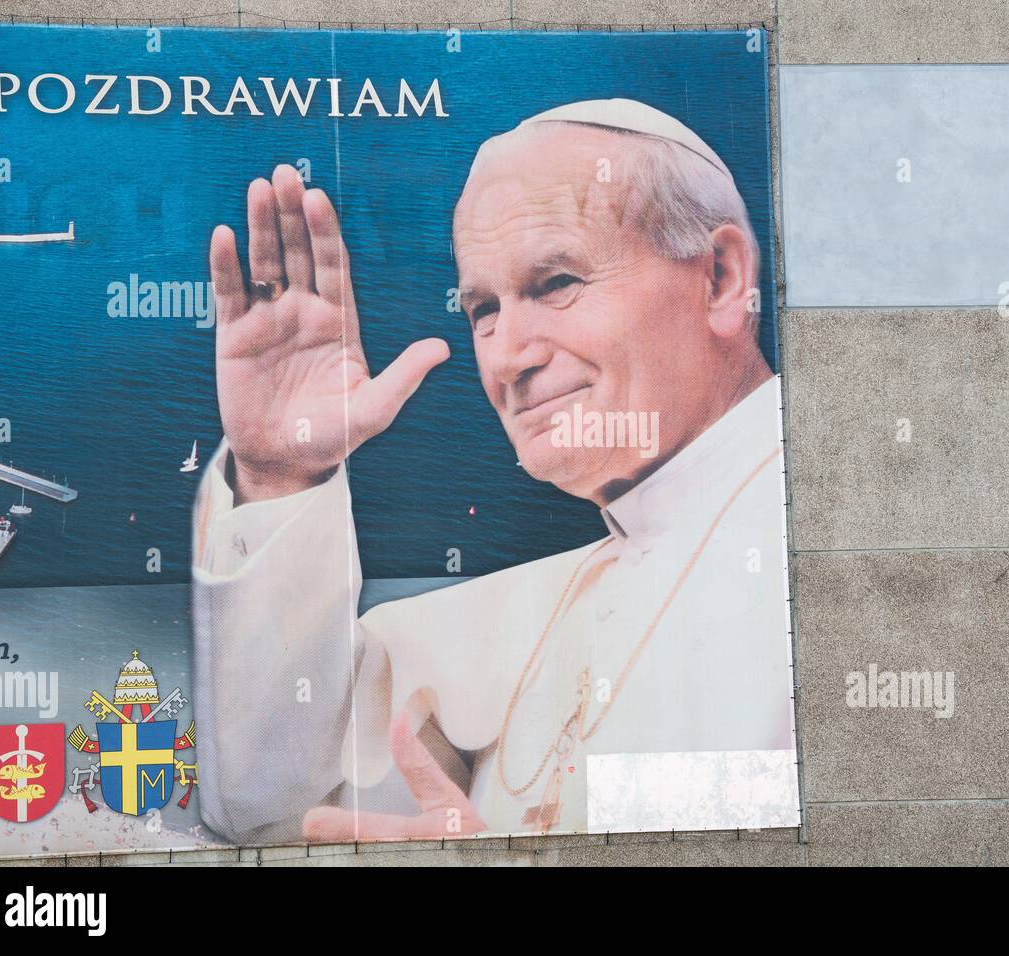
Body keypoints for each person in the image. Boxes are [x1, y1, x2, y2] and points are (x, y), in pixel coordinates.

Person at [192, 99, 796, 843]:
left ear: (722, 279)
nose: (509, 356)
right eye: (483, 309)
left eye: (556, 283)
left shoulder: (849, 540)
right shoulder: (517, 611)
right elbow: (264, 809)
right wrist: (279, 474)